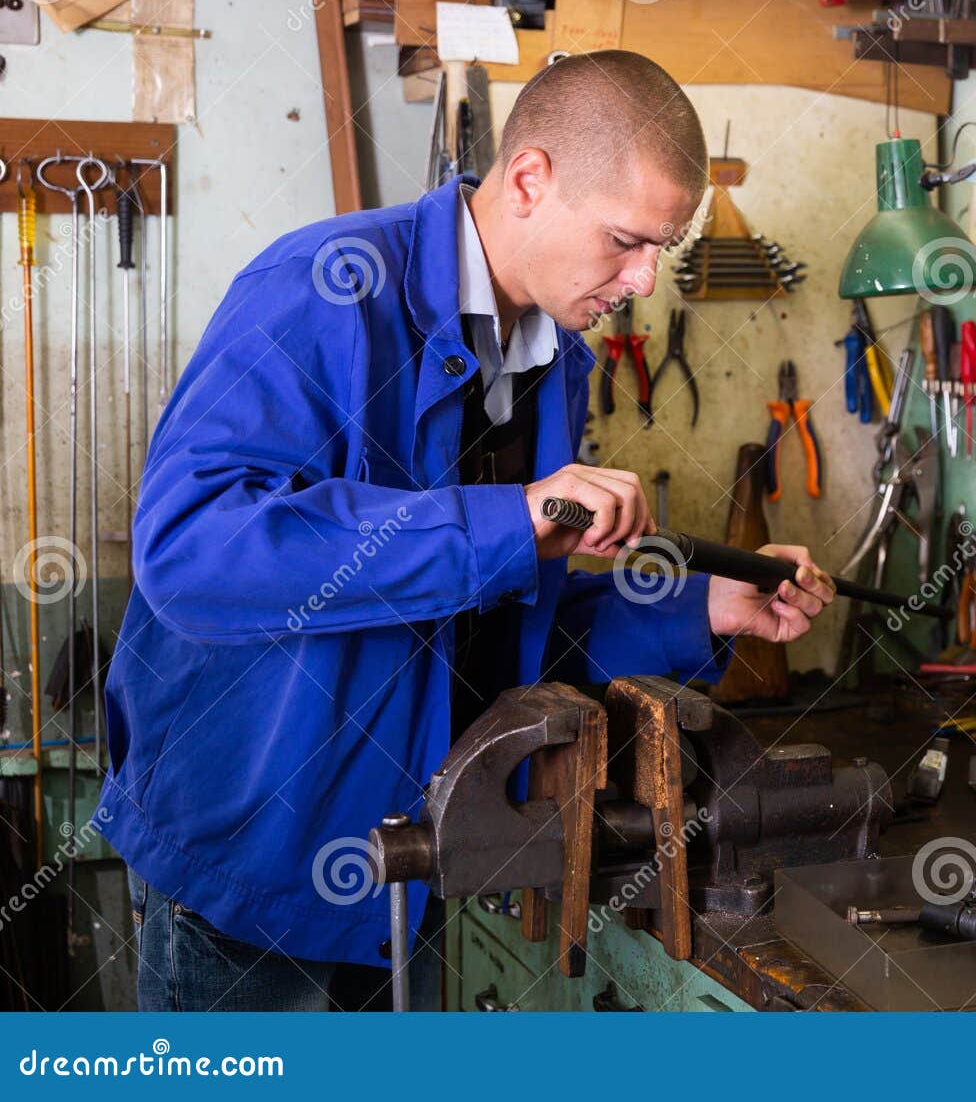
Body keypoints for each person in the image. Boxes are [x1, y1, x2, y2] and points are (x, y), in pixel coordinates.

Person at [99, 50, 835, 1011]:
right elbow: (192, 548)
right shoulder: (323, 289)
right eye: (626, 240)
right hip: (250, 868)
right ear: (529, 178)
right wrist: (512, 516)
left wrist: (701, 608)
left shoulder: (552, 361)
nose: (645, 282)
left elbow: (499, 625)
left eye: (660, 247)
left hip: (410, 857)